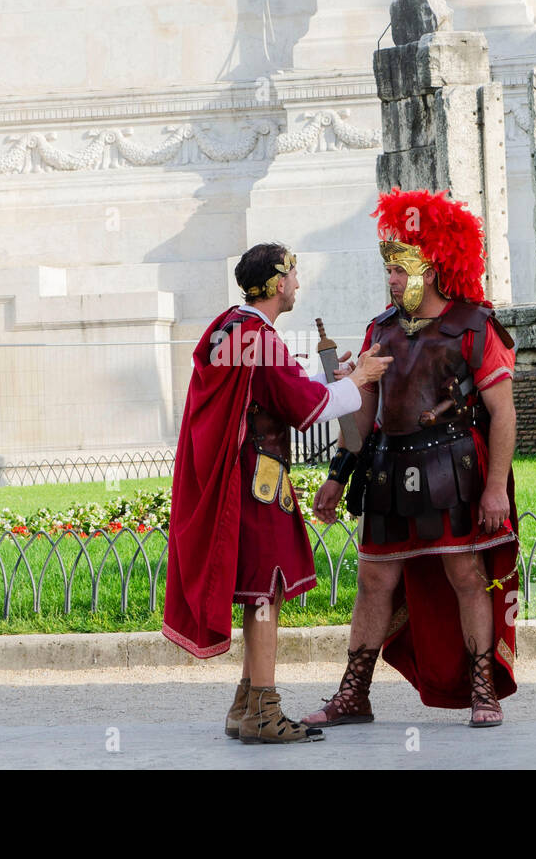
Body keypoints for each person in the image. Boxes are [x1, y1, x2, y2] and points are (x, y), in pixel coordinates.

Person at [306, 188, 521, 729]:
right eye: (391, 271)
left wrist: (495, 488)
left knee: (465, 573)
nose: (393, 280)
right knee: (374, 580)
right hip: (385, 470)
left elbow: (504, 415)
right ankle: (353, 693)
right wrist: (337, 472)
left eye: (400, 270)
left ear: (430, 267)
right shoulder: (380, 331)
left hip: (454, 469)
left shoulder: (474, 326)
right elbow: (363, 420)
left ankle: (482, 689)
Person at [162, 242, 393, 744]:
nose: (297, 284)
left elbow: (273, 390)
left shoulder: (232, 325)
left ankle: (246, 706)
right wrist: (360, 379)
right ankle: (265, 712)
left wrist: (328, 378)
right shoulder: (257, 337)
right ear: (275, 283)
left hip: (240, 477)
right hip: (255, 481)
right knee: (267, 588)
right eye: (292, 275)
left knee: (258, 591)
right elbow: (301, 408)